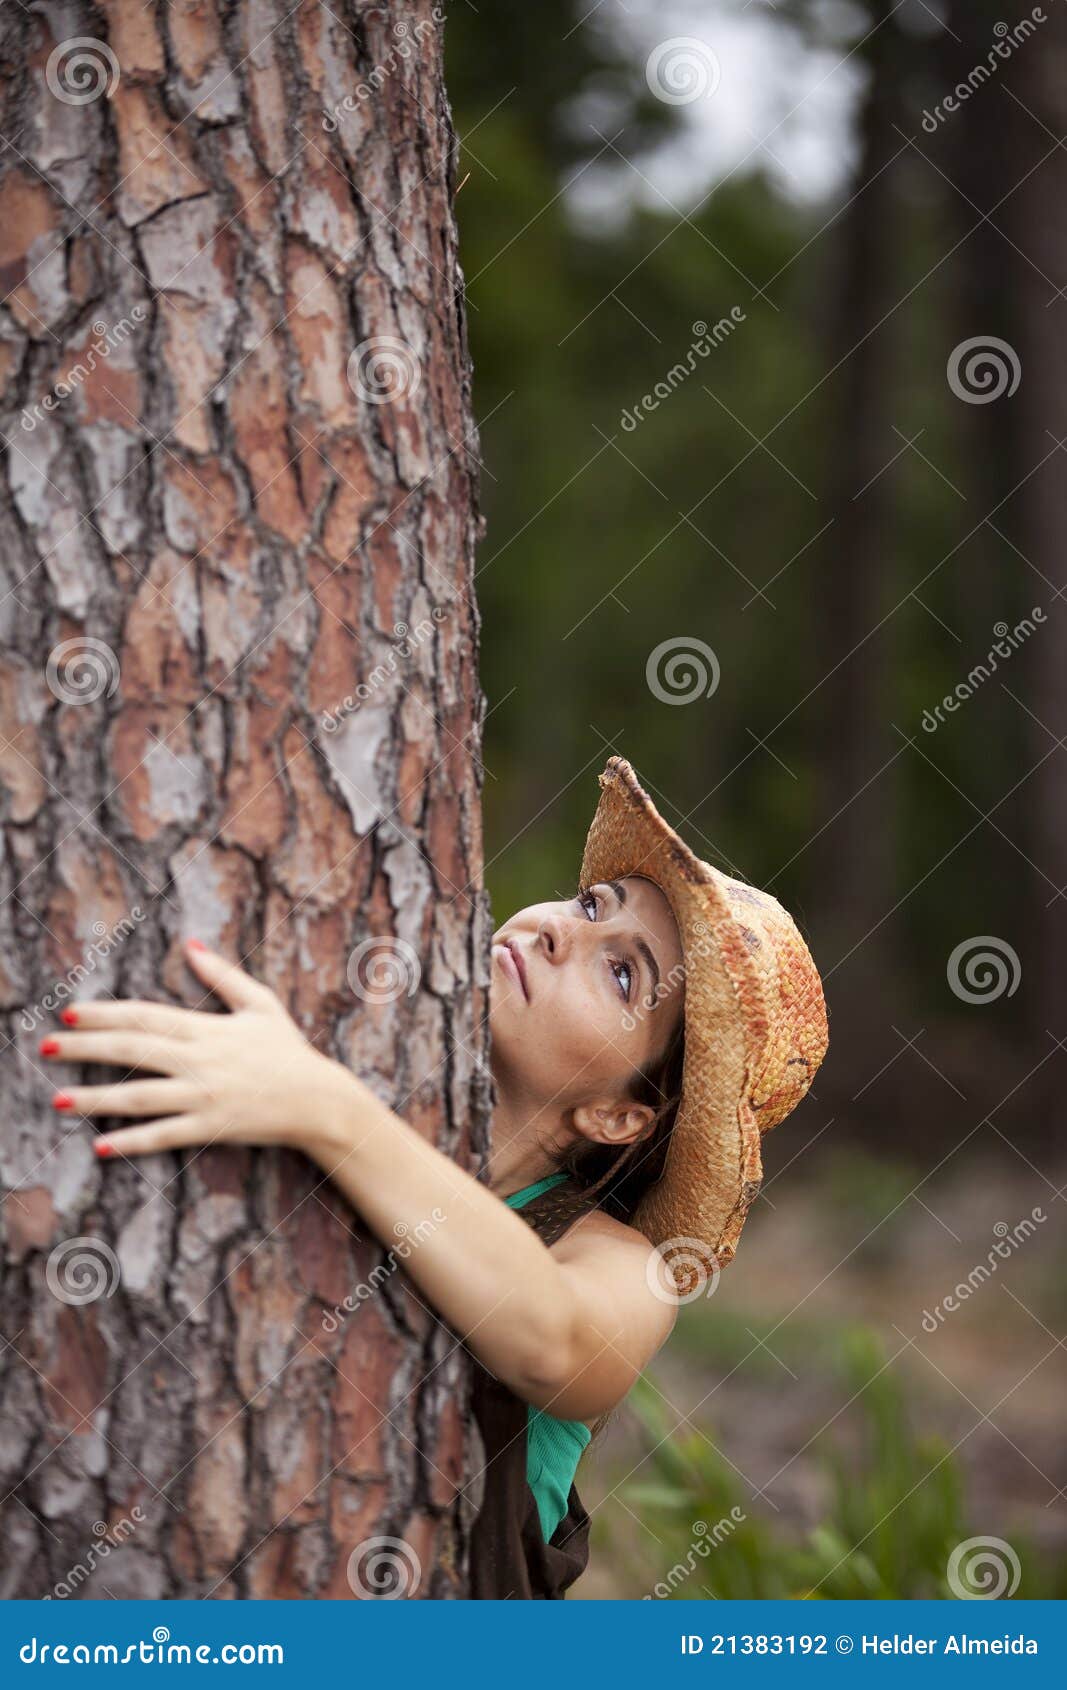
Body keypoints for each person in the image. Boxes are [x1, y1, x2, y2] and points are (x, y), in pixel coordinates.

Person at [36, 755, 829, 1599]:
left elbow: (552, 1340)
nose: (562, 928)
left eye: (621, 971)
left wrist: (321, 1107)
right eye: (592, 904)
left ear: (619, 1117)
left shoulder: (624, 1269)